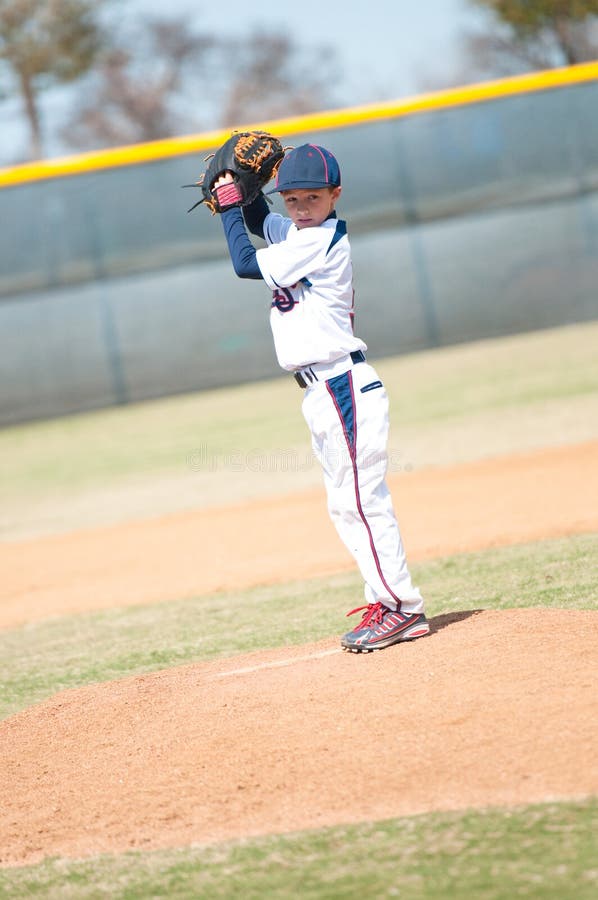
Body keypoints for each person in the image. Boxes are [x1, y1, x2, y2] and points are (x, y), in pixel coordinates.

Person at [213, 143, 429, 652]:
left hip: (341, 386)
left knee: (362, 501)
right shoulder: (300, 231)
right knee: (346, 505)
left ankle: (402, 609)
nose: (301, 206)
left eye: (312, 197)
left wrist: (226, 206)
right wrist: (244, 194)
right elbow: (262, 221)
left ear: (335, 194)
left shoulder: (320, 239)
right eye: (292, 198)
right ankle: (388, 602)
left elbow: (245, 264)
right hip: (322, 391)